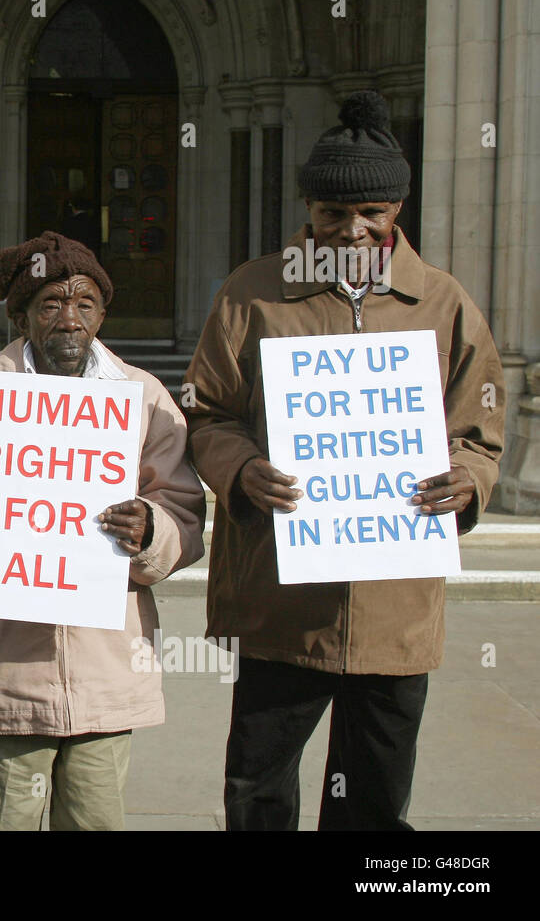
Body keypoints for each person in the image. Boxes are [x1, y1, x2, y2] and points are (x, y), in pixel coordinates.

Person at [182, 91, 506, 831]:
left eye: (372, 213)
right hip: (281, 599)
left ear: (398, 210)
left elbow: (480, 429)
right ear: (309, 210)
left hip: (397, 603)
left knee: (376, 798)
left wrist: (468, 479)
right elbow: (206, 412)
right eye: (332, 214)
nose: (352, 230)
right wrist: (239, 469)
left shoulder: (446, 305)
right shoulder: (254, 293)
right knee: (258, 791)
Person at [0, 230, 206, 830]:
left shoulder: (141, 397)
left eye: (84, 303)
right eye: (51, 304)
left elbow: (184, 514)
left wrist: (151, 532)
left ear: (102, 313)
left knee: (94, 821)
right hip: (6, 675)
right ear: (22, 314)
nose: (69, 319)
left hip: (108, 673)